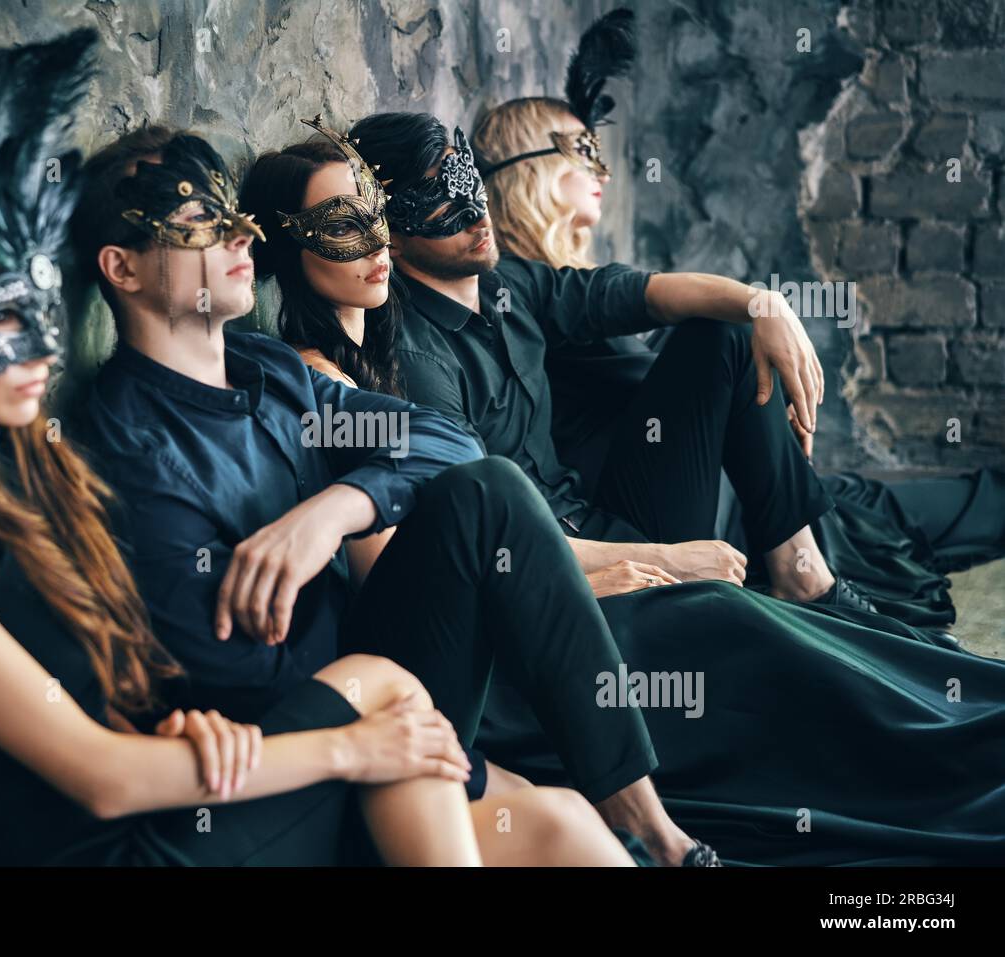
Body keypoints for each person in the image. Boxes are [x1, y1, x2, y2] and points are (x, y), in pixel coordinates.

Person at [0, 30, 623, 869]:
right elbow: (100, 776)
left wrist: (186, 719)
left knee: (560, 818)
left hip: (191, 778)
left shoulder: (48, 474)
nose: (36, 347)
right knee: (386, 693)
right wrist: (350, 747)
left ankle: (655, 829)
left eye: (38, 309)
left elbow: (122, 690)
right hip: (118, 844)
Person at [238, 113, 1005, 865]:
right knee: (741, 633)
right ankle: (938, 755)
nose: (470, 211)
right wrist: (645, 565)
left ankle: (909, 679)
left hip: (574, 550)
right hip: (512, 629)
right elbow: (423, 565)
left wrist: (760, 301)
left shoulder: (484, 298)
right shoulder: (335, 376)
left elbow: (635, 295)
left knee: (767, 603)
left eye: (375, 216)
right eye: (351, 225)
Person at [66, 122, 725, 866]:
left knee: (489, 491)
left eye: (232, 217)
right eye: (198, 227)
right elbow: (230, 674)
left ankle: (650, 824)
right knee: (553, 821)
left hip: (384, 676)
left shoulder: (269, 371)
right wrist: (406, 745)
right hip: (290, 749)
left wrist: (333, 510)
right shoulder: (128, 447)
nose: (236, 239)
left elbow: (451, 442)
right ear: (121, 269)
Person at [470, 6, 1005, 630]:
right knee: (912, 505)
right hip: (683, 523)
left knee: (946, 501)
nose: (600, 167)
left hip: (734, 500)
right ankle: (803, 576)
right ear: (525, 166)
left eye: (600, 150)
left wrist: (755, 419)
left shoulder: (571, 286)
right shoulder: (517, 298)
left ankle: (805, 556)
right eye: (580, 147)